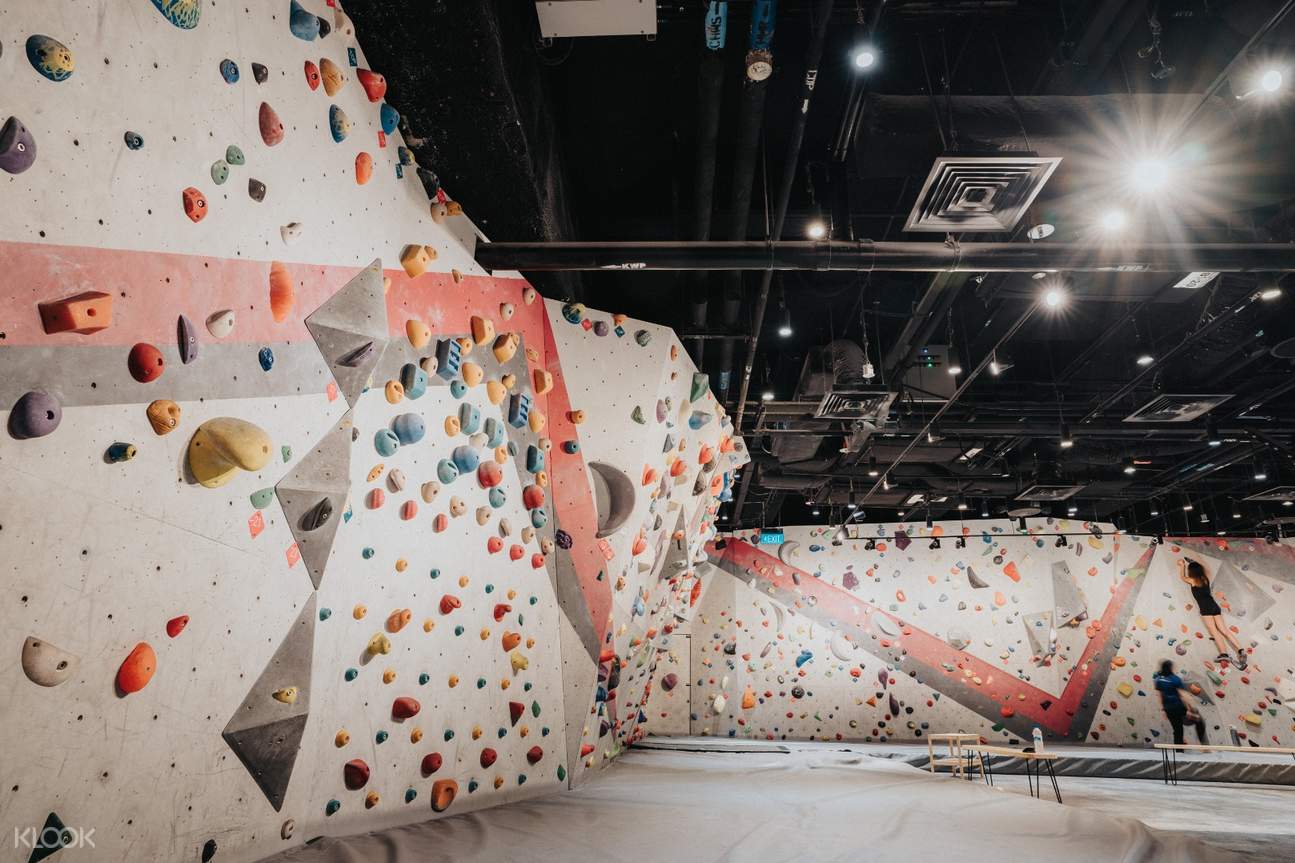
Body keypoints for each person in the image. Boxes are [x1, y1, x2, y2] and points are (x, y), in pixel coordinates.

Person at [1178, 556, 1247, 669]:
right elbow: (1205, 569)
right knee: (1224, 630)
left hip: (1205, 607)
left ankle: (1224, 654)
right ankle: (1241, 650)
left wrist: (1182, 565)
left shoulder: (1193, 580)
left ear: (1191, 572)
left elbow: (1182, 577)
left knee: (1214, 631)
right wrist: (1194, 561)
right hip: (1214, 605)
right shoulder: (1205, 579)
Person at [1154, 660, 1207, 746]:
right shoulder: (1175, 679)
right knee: (1199, 721)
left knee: (1177, 730)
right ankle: (1204, 745)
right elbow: (1183, 695)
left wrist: (1163, 710)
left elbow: (1159, 696)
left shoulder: (1158, 680)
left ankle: (1179, 752)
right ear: (1170, 668)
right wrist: (1191, 706)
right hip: (1179, 708)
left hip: (1169, 710)